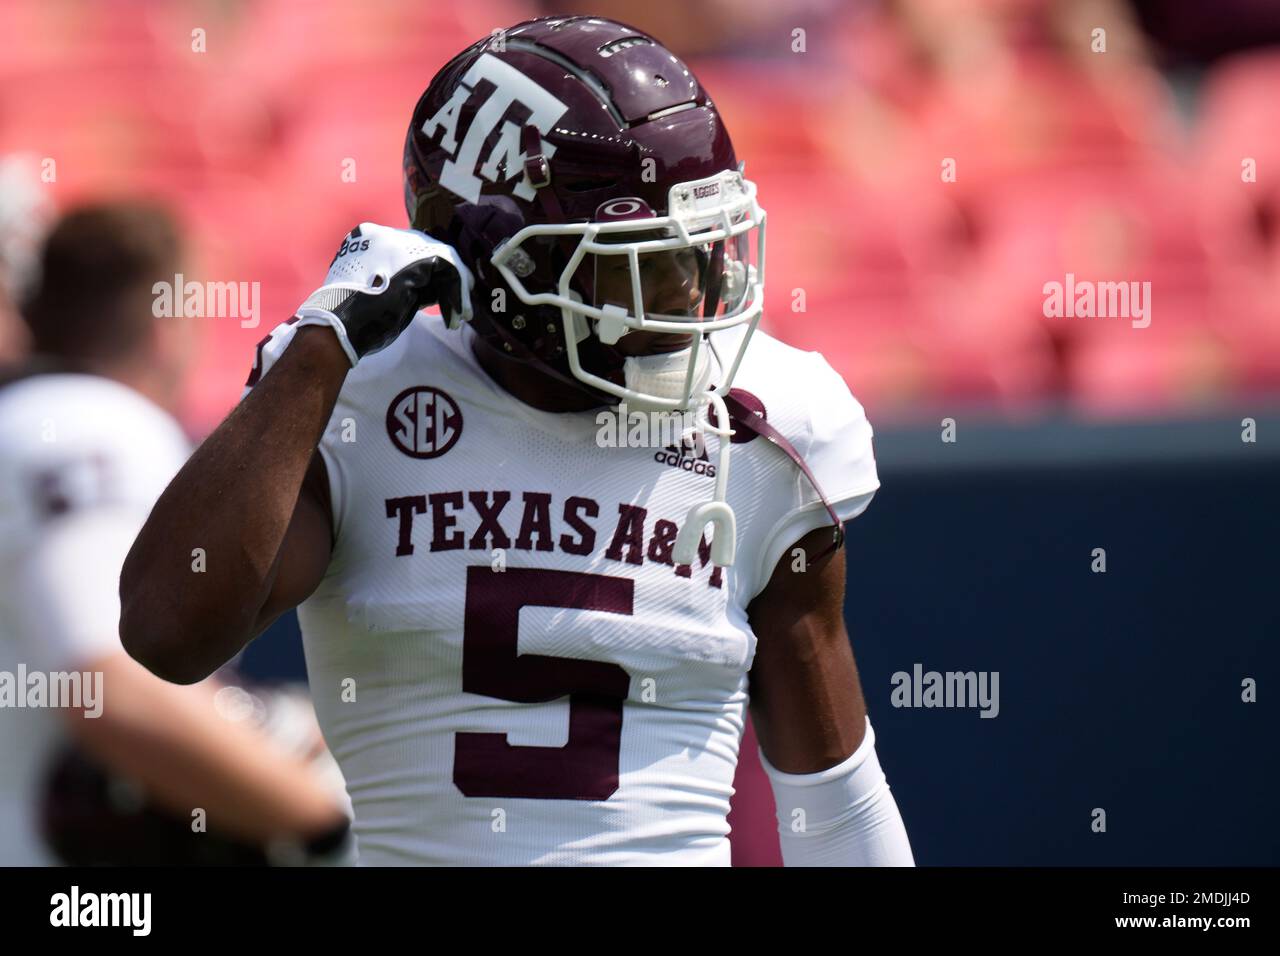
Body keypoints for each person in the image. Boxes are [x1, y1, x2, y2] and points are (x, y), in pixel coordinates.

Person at [120, 16, 914, 866]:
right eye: (633, 263)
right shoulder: (356, 400)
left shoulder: (763, 421)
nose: (687, 297)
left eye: (694, 253)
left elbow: (832, 793)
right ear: (501, 266)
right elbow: (169, 634)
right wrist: (317, 352)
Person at [0, 201, 352, 865]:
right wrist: (323, 823)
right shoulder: (90, 424)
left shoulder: (33, 419)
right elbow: (108, 687)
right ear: (167, 325)